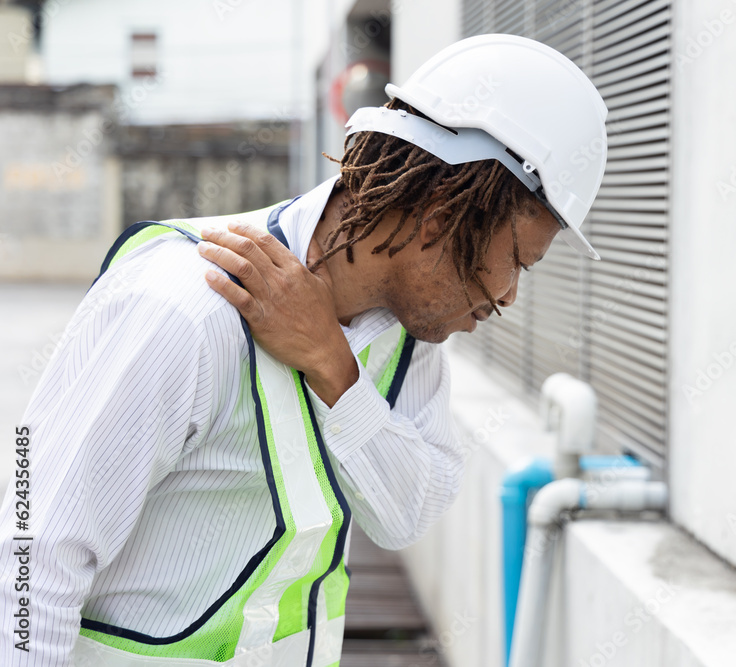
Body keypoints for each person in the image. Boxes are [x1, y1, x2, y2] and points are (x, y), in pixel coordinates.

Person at [0, 33, 607, 666]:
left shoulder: (408, 336)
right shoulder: (185, 309)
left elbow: (406, 515)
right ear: (440, 223)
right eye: (515, 262)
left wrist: (333, 366)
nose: (508, 296)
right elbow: (30, 556)